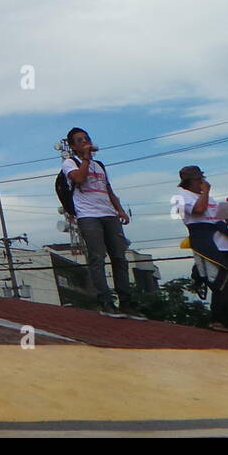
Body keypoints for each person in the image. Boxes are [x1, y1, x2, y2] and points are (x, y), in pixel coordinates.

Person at [63, 127, 137, 318]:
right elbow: (78, 179)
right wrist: (86, 159)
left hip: (108, 214)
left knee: (119, 257)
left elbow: (108, 189)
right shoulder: (70, 163)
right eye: (79, 140)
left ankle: (126, 301)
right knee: (97, 257)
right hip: (88, 214)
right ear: (72, 146)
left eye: (86, 139)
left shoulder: (100, 165)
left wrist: (119, 209)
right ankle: (105, 301)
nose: (85, 142)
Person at [175, 166, 228, 331]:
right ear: (190, 181)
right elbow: (198, 211)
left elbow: (220, 218)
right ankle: (218, 320)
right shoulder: (180, 197)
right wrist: (205, 193)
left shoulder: (210, 198)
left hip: (223, 241)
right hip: (205, 242)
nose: (203, 182)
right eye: (199, 179)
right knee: (219, 280)